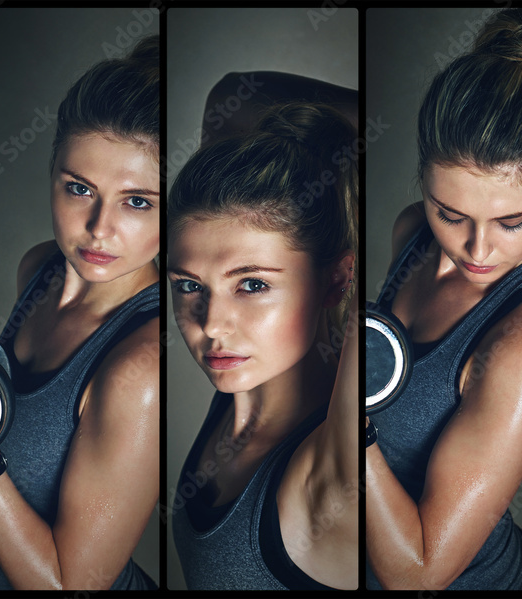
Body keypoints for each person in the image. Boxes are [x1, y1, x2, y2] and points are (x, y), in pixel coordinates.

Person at [364, 8, 522, 590]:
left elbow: (419, 572)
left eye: (513, 221)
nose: (477, 248)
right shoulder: (409, 234)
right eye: (449, 213)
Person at [0, 35, 160, 591]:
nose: (100, 227)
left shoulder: (138, 370)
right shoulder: (37, 269)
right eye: (80, 188)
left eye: (137, 200)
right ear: (52, 172)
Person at [168, 102, 359, 590]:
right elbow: (226, 94)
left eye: (252, 285)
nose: (211, 325)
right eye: (189, 285)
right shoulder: (240, 386)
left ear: (337, 279)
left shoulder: (334, 465)